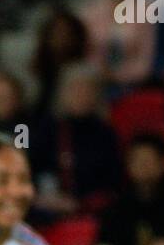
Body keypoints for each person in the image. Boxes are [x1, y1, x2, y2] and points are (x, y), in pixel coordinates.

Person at [31, 62, 122, 216]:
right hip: (47, 206)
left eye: (87, 90)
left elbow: (112, 183)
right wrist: (45, 198)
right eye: (75, 89)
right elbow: (31, 167)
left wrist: (80, 203)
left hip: (92, 210)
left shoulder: (105, 134)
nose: (81, 95)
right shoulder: (45, 128)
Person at [81, 0, 156, 96]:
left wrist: (117, 75)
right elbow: (85, 55)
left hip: (131, 86)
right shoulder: (91, 12)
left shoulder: (145, 11)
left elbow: (146, 61)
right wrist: (99, 73)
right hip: (95, 83)